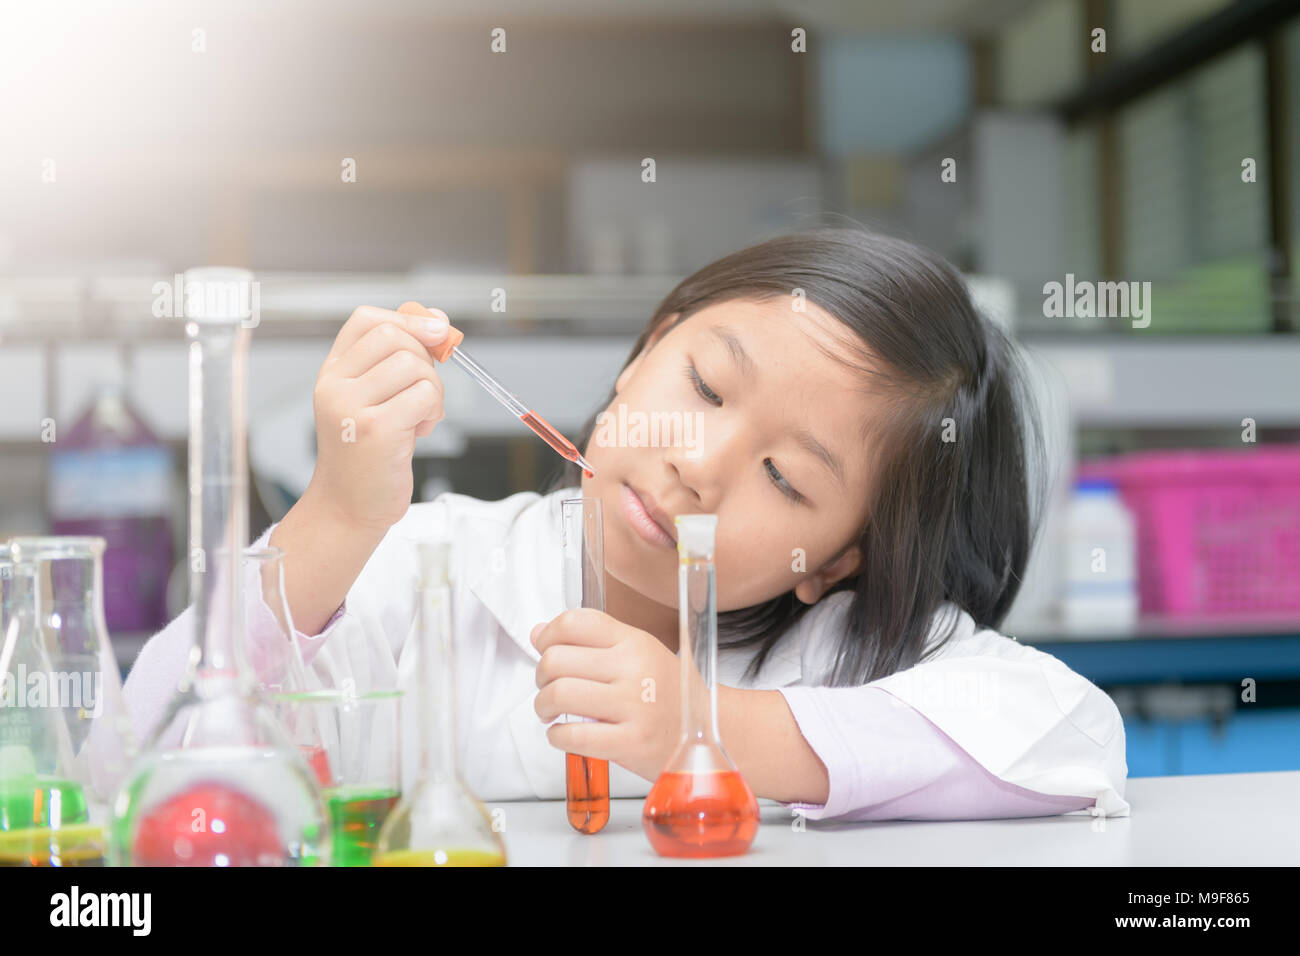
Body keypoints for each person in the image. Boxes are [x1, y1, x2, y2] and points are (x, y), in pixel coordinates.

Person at [124, 227, 1129, 821]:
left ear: (837, 559)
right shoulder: (431, 564)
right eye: (701, 383)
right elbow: (136, 754)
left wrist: (703, 727)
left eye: (783, 475)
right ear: (644, 351)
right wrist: (338, 512)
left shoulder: (839, 644)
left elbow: (1074, 738)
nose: (699, 464)